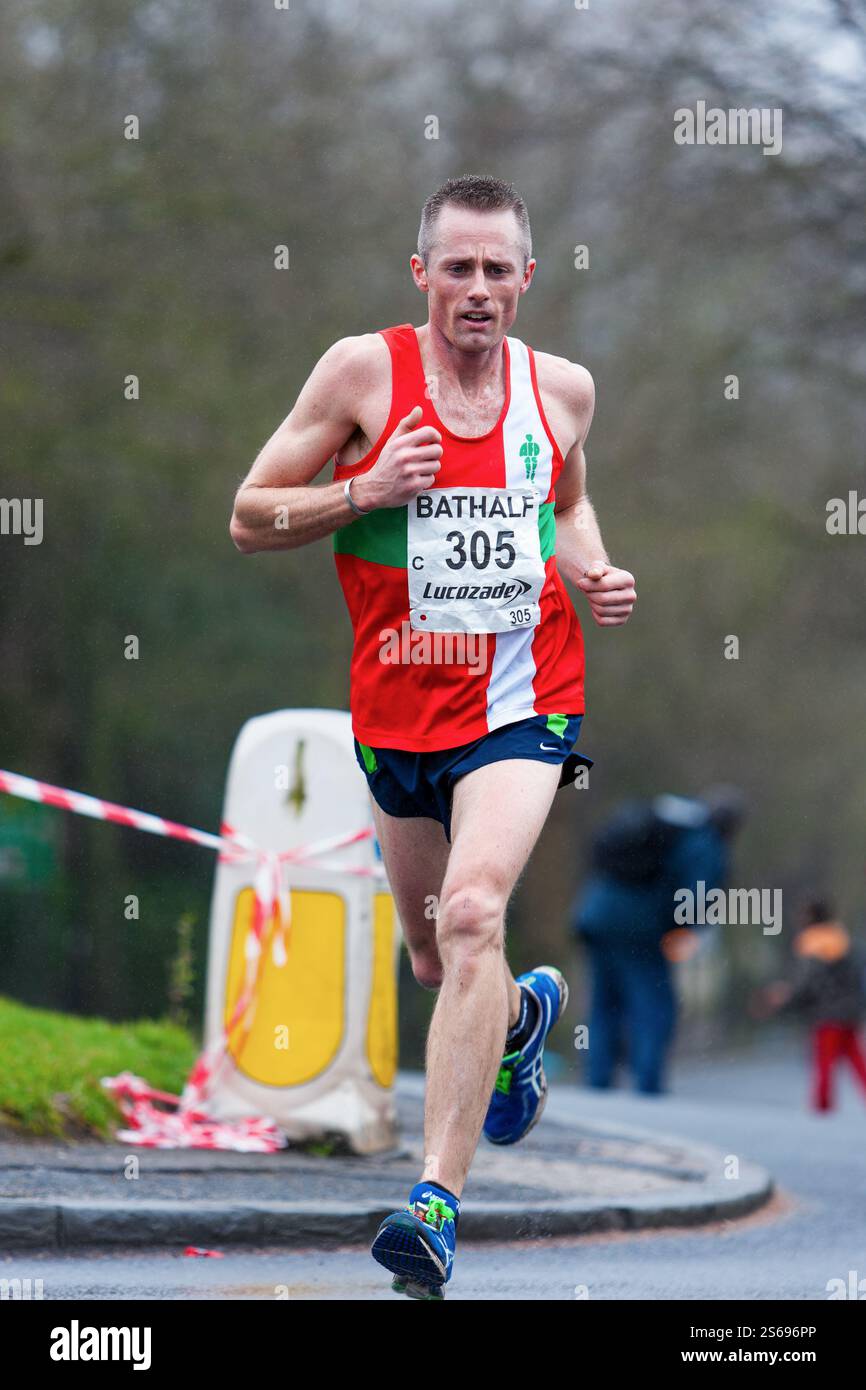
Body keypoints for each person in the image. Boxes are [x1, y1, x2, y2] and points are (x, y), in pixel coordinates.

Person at [230, 174, 636, 1298]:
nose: (474, 288)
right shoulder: (361, 373)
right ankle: (519, 1017)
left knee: (470, 915)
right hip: (396, 712)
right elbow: (248, 516)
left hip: (521, 700)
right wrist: (365, 483)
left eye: (494, 269)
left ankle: (433, 1202)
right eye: (453, 266)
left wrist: (588, 569)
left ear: (524, 280)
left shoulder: (561, 392)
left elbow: (566, 500)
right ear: (421, 274)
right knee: (430, 958)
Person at [572, 787, 744, 1093]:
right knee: (652, 1003)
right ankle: (647, 1082)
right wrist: (681, 928)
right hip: (639, 927)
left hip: (596, 913)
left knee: (604, 1002)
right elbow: (697, 896)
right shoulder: (706, 843)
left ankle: (597, 1081)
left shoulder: (665, 819)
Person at [753, 897, 866, 1112]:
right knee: (858, 1061)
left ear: (810, 917)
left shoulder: (810, 942)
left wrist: (785, 998)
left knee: (824, 1064)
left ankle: (822, 1107)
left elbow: (807, 982)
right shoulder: (843, 938)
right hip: (850, 1012)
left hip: (826, 1014)